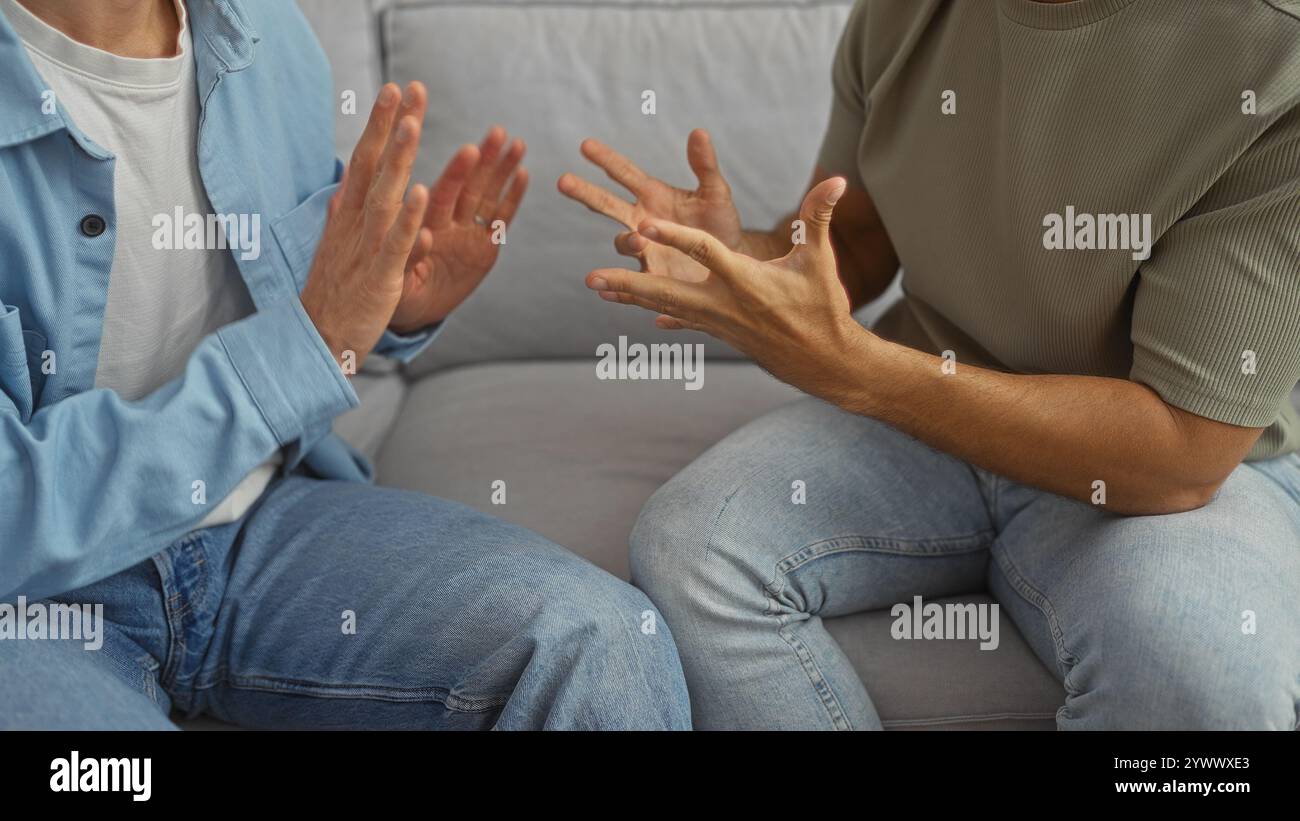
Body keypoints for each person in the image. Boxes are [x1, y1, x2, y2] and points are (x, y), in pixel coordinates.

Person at [560, 0, 1300, 729]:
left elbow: (1181, 451)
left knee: (1207, 684)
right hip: (926, 413)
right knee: (691, 551)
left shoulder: (1273, 58)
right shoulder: (903, 14)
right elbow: (851, 241)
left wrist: (860, 373)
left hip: (1158, 466)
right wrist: (739, 260)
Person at [0, 0, 689, 730]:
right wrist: (309, 345)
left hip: (257, 525)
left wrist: (393, 306)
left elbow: (304, 297)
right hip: (33, 594)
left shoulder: (263, 34)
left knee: (602, 643)